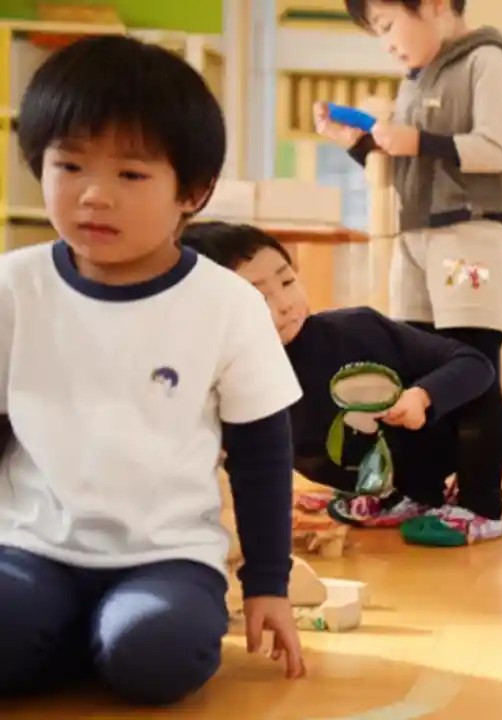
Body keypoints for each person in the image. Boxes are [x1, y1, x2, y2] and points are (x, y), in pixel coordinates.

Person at [0, 36, 305, 706]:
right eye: (70, 165)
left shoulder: (228, 304)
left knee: (155, 651)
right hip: (28, 548)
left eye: (131, 175)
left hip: (164, 560)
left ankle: (87, 642)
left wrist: (267, 585)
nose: (93, 196)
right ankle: (68, 636)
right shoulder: (13, 288)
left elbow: (261, 454)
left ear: (192, 192)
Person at [183, 222, 502, 543]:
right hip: (370, 465)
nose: (285, 304)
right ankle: (410, 496)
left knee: (476, 393)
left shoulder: (355, 330)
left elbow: (474, 364)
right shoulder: (220, 378)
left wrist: (423, 396)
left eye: (287, 282)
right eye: (258, 297)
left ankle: (481, 507)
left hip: (435, 439)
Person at [318, 0, 502, 407]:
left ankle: (478, 474)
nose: (387, 44)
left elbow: (499, 148)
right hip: (416, 234)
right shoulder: (416, 78)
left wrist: (417, 141)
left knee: (472, 365)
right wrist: (359, 146)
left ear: (434, 5)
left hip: (468, 233)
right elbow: (408, 167)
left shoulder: (487, 59)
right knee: (416, 363)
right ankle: (432, 469)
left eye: (386, 25)